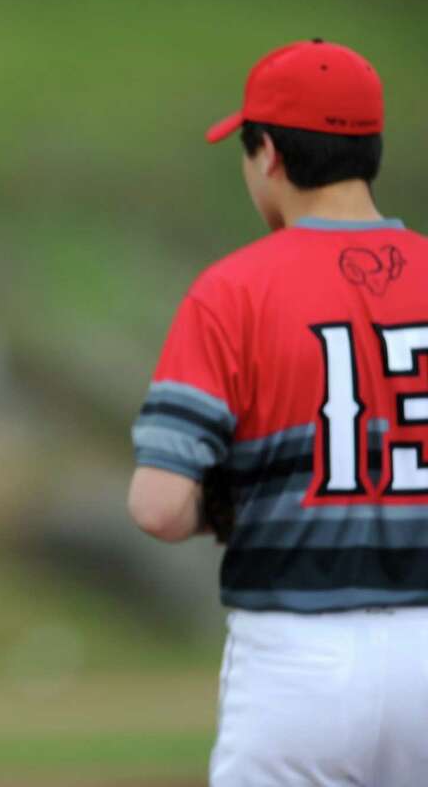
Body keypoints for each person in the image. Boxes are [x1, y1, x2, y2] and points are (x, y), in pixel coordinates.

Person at [129, 39, 428, 786]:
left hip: (298, 658)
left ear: (267, 154)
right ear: (372, 149)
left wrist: (228, 503)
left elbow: (159, 507)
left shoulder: (234, 290)